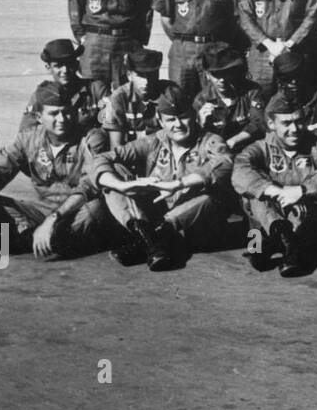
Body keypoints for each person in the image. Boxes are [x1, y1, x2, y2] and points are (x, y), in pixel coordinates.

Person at [0, 82, 116, 258]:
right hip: (41, 210)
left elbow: (89, 186)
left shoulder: (92, 138)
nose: (62, 119)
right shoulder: (28, 139)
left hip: (76, 210)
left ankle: (26, 241)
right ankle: (42, 239)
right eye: (54, 113)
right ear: (38, 116)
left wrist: (53, 219)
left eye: (67, 112)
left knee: (95, 209)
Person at [93, 84, 234, 271]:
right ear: (160, 120)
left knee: (212, 196)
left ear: (193, 116)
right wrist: (123, 185)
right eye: (171, 120)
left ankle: (150, 241)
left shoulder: (210, 140)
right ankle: (150, 239)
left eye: (183, 117)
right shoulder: (155, 141)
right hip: (155, 214)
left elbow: (225, 162)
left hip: (193, 223)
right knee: (113, 174)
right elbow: (102, 158)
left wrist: (179, 183)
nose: (178, 125)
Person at [232, 91, 317, 277]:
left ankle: (289, 242)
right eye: (286, 123)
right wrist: (271, 190)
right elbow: (239, 172)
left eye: (298, 121)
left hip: (303, 224)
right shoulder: (261, 147)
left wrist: (302, 190)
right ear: (271, 124)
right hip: (259, 231)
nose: (295, 129)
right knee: (257, 256)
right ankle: (283, 236)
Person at [19, 39, 108, 131]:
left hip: (89, 143)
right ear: (48, 68)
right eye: (58, 66)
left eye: (69, 64)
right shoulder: (42, 96)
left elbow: (111, 124)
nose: (65, 70)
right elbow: (26, 131)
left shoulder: (95, 90)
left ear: (77, 65)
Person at [192, 45, 266, 154]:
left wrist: (233, 140)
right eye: (216, 75)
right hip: (216, 153)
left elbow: (259, 123)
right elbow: (193, 138)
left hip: (248, 149)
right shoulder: (201, 100)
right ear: (207, 75)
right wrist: (201, 123)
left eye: (225, 73)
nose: (221, 80)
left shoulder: (251, 91)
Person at [270, 50, 317, 148]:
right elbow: (272, 136)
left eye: (297, 76)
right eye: (288, 78)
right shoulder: (276, 102)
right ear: (280, 81)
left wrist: (295, 134)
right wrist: (309, 129)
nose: (294, 81)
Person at [100, 48, 165, 149]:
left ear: (157, 74)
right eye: (140, 76)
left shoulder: (168, 93)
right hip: (131, 153)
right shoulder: (119, 98)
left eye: (151, 75)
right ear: (129, 75)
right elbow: (117, 147)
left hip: (160, 152)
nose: (146, 82)